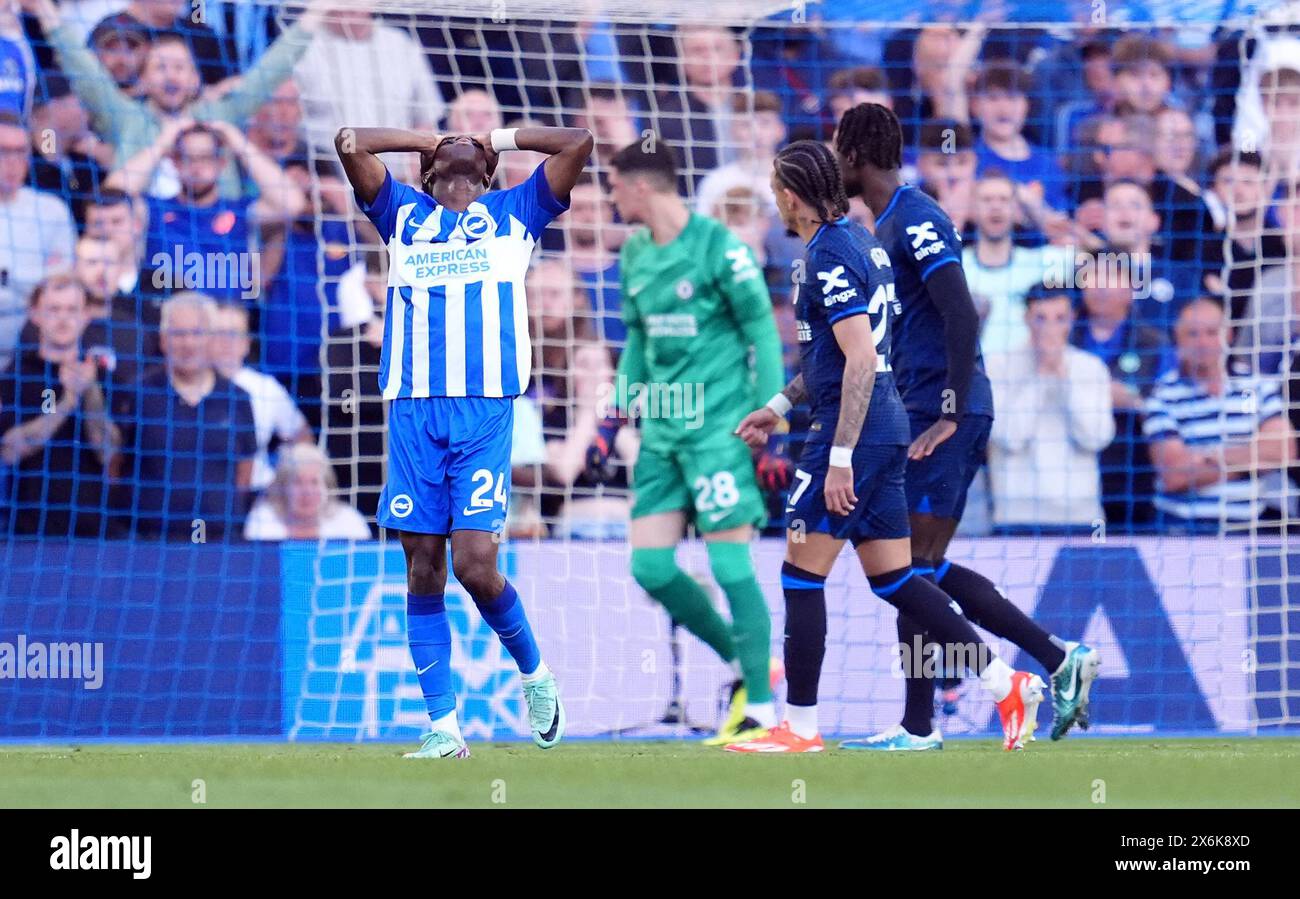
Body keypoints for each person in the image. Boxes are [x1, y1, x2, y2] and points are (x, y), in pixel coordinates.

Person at [728, 140, 1042, 754]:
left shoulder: (826, 255)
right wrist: (780, 405)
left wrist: (840, 456)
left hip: (854, 434)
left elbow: (861, 359)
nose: (774, 202)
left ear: (791, 196)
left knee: (799, 576)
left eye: (775, 192)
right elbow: (837, 353)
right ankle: (1007, 681)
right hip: (888, 425)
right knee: (896, 577)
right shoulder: (864, 241)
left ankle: (802, 727)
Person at [833, 103, 1097, 748]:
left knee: (909, 566)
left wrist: (949, 408)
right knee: (921, 567)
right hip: (925, 407)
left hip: (947, 411)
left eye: (839, 148)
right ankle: (1058, 660)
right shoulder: (888, 222)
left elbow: (960, 311)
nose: (835, 160)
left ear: (856, 153)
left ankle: (924, 724)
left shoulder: (915, 215)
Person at [335, 118, 593, 759]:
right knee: (423, 565)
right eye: (444, 148)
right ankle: (443, 727)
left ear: (486, 172)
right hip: (413, 413)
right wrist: (429, 140)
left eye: (466, 148)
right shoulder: (402, 214)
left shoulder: (516, 211)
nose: (456, 143)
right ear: (427, 170)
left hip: (483, 413)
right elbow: (349, 143)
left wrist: (494, 137)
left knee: (476, 565)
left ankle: (536, 676)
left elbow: (580, 142)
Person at [588, 140, 786, 746]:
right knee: (650, 568)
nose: (610, 197)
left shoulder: (720, 249)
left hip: (720, 432)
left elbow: (765, 333)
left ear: (641, 187)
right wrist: (612, 418)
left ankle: (764, 709)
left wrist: (771, 420)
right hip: (662, 434)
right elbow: (641, 346)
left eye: (614, 186)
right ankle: (751, 665)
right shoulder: (635, 257)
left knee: (728, 564)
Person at [29, 0, 326, 199]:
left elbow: (271, 69)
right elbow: (79, 63)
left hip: (216, 245)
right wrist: (43, 9)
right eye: (160, 67)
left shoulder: (218, 115)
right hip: (148, 248)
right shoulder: (125, 116)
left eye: (180, 68)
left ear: (196, 80)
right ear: (143, 81)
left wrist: (318, 11)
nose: (171, 76)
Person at [105, 118, 306, 304]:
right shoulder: (155, 209)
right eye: (187, 158)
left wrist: (236, 140)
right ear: (174, 162)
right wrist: (162, 143)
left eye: (205, 158)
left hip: (225, 328)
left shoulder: (240, 211)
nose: (196, 167)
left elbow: (293, 204)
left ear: (221, 164)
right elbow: (111, 195)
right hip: (165, 324)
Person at [114, 291, 257, 540]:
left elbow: (244, 473)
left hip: (220, 543)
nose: (188, 343)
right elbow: (115, 464)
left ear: (212, 339)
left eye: (197, 333)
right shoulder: (137, 394)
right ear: (162, 340)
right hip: (149, 542)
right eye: (178, 334)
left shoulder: (238, 398)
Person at [1145, 297, 1296, 531]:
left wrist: (1208, 457)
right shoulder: (1162, 396)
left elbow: (1283, 451)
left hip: (1249, 528)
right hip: (1181, 529)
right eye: (1192, 334)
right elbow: (1175, 475)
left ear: (1229, 335)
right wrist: (1251, 463)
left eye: (1211, 332)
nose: (1203, 342)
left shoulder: (1254, 387)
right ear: (1178, 339)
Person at [0, 272, 121, 536]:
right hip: (30, 529)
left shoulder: (105, 377)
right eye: (54, 309)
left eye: (72, 309)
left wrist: (89, 391)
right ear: (35, 314)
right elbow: (9, 450)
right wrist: (66, 401)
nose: (64, 318)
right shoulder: (16, 374)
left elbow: (109, 453)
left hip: (95, 529)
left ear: (86, 315)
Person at [986, 288, 1115, 530]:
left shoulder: (1090, 367)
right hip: (1016, 516)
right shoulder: (997, 365)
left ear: (1073, 318)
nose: (1050, 328)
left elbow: (1096, 437)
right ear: (1026, 318)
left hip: (1081, 517)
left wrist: (1063, 376)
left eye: (1059, 318)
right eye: (1041, 318)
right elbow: (1009, 437)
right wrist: (1042, 374)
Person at [0, 111, 76, 370]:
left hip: (36, 357)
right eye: (3, 151)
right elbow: (39, 288)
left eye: (20, 151)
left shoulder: (51, 211)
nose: (12, 162)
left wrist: (7, 279)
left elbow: (58, 288)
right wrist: (31, 283)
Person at [208, 303, 311, 492]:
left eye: (234, 334)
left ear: (247, 343)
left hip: (260, 493)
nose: (225, 342)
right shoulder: (192, 385)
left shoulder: (265, 388)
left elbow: (302, 435)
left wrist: (282, 477)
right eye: (218, 333)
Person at [244, 443, 371, 541]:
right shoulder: (262, 520)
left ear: (327, 487)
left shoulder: (348, 521)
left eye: (314, 482)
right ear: (283, 487)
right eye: (298, 482)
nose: (307, 492)